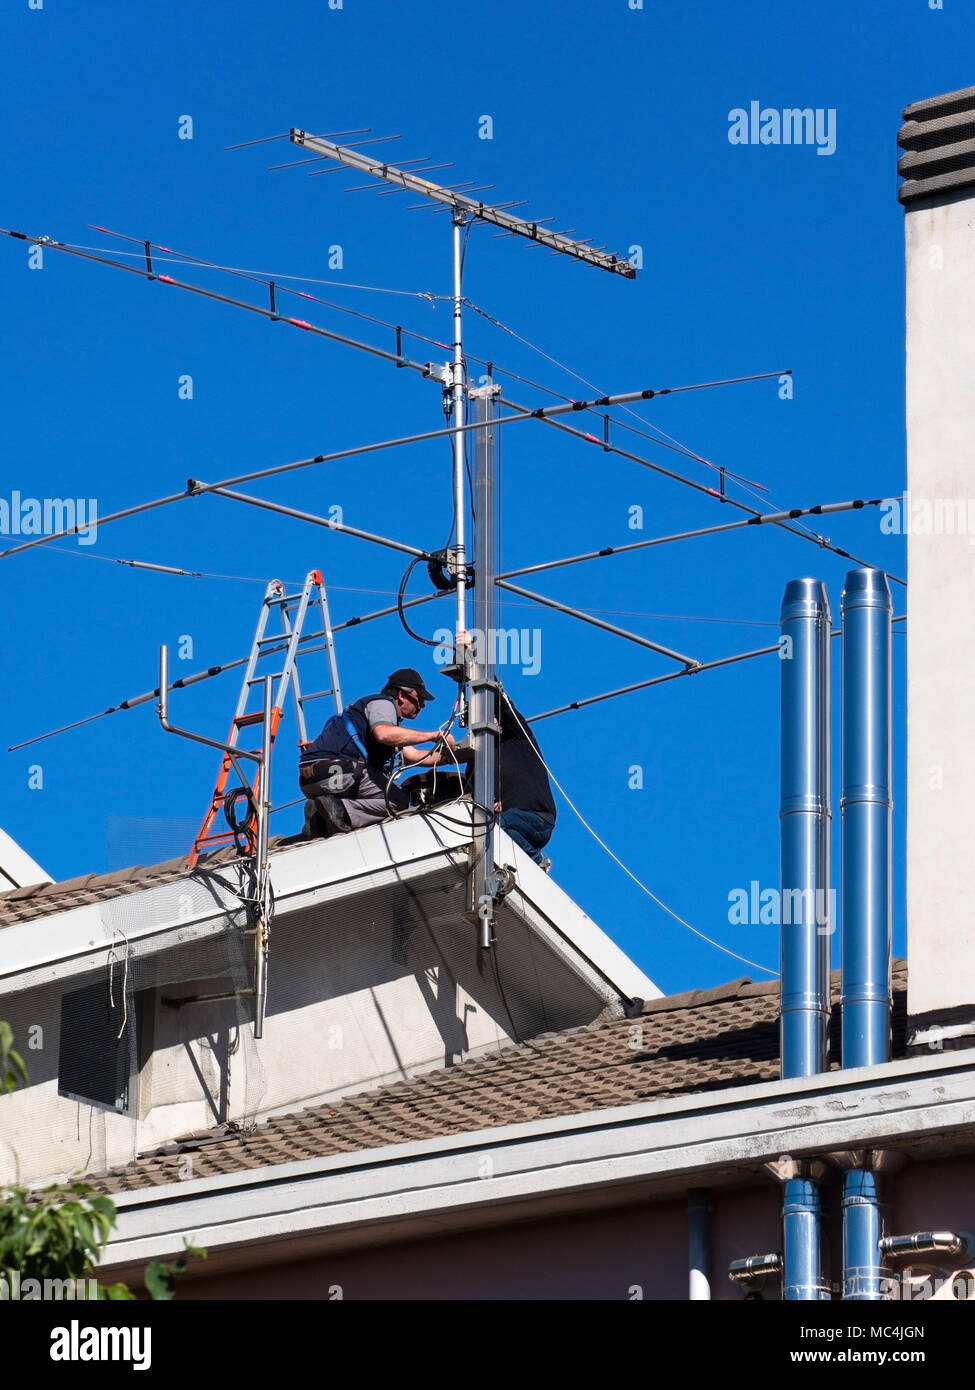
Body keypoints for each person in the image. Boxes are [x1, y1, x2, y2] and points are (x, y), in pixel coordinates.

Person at [298, 667, 455, 837]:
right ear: (402, 695)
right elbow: (383, 734)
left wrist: (454, 756)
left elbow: (413, 756)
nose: (422, 705)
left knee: (376, 794)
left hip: (311, 778)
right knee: (397, 799)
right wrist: (433, 735)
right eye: (419, 698)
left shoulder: (387, 722)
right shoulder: (383, 704)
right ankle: (339, 810)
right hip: (337, 772)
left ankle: (319, 820)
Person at [494, 693, 556, 868]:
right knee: (484, 825)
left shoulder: (517, 735)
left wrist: (480, 670)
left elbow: (506, 705)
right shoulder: (482, 760)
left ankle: (536, 860)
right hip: (513, 823)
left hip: (537, 819)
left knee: (493, 825)